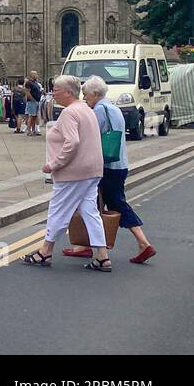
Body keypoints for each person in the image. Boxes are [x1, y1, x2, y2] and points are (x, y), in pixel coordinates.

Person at [62, 76, 156, 265]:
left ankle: (143, 243)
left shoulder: (99, 110)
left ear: (95, 94)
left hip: (106, 166)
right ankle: (86, 245)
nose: (84, 97)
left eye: (86, 94)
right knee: (95, 204)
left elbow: (91, 137)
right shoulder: (113, 107)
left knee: (112, 204)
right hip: (120, 163)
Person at [21, 75, 111, 271]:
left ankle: (45, 252)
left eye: (56, 89)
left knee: (57, 211)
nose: (52, 93)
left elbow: (72, 142)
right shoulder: (87, 109)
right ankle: (103, 256)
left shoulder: (69, 113)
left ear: (68, 92)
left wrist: (53, 164)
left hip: (73, 172)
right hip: (92, 170)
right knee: (90, 212)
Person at [24, 70, 43, 136]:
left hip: (37, 101)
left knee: (34, 117)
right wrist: (33, 100)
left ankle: (34, 130)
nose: (37, 75)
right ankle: (29, 131)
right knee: (31, 116)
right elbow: (28, 92)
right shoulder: (29, 83)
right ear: (32, 75)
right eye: (36, 74)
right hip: (32, 102)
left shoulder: (36, 83)